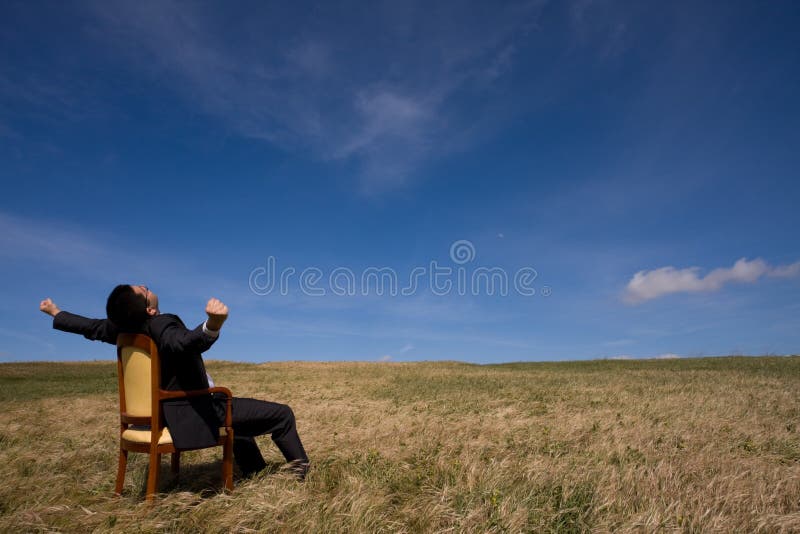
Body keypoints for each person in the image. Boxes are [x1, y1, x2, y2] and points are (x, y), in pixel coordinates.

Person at [39, 285, 309, 480]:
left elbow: (88, 326)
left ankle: (254, 474)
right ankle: (301, 473)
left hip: (159, 416)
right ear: (151, 309)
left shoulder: (120, 329)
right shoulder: (160, 324)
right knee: (282, 414)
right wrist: (213, 324)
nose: (145, 285)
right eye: (143, 290)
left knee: (241, 420)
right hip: (197, 411)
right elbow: (182, 342)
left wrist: (55, 312)